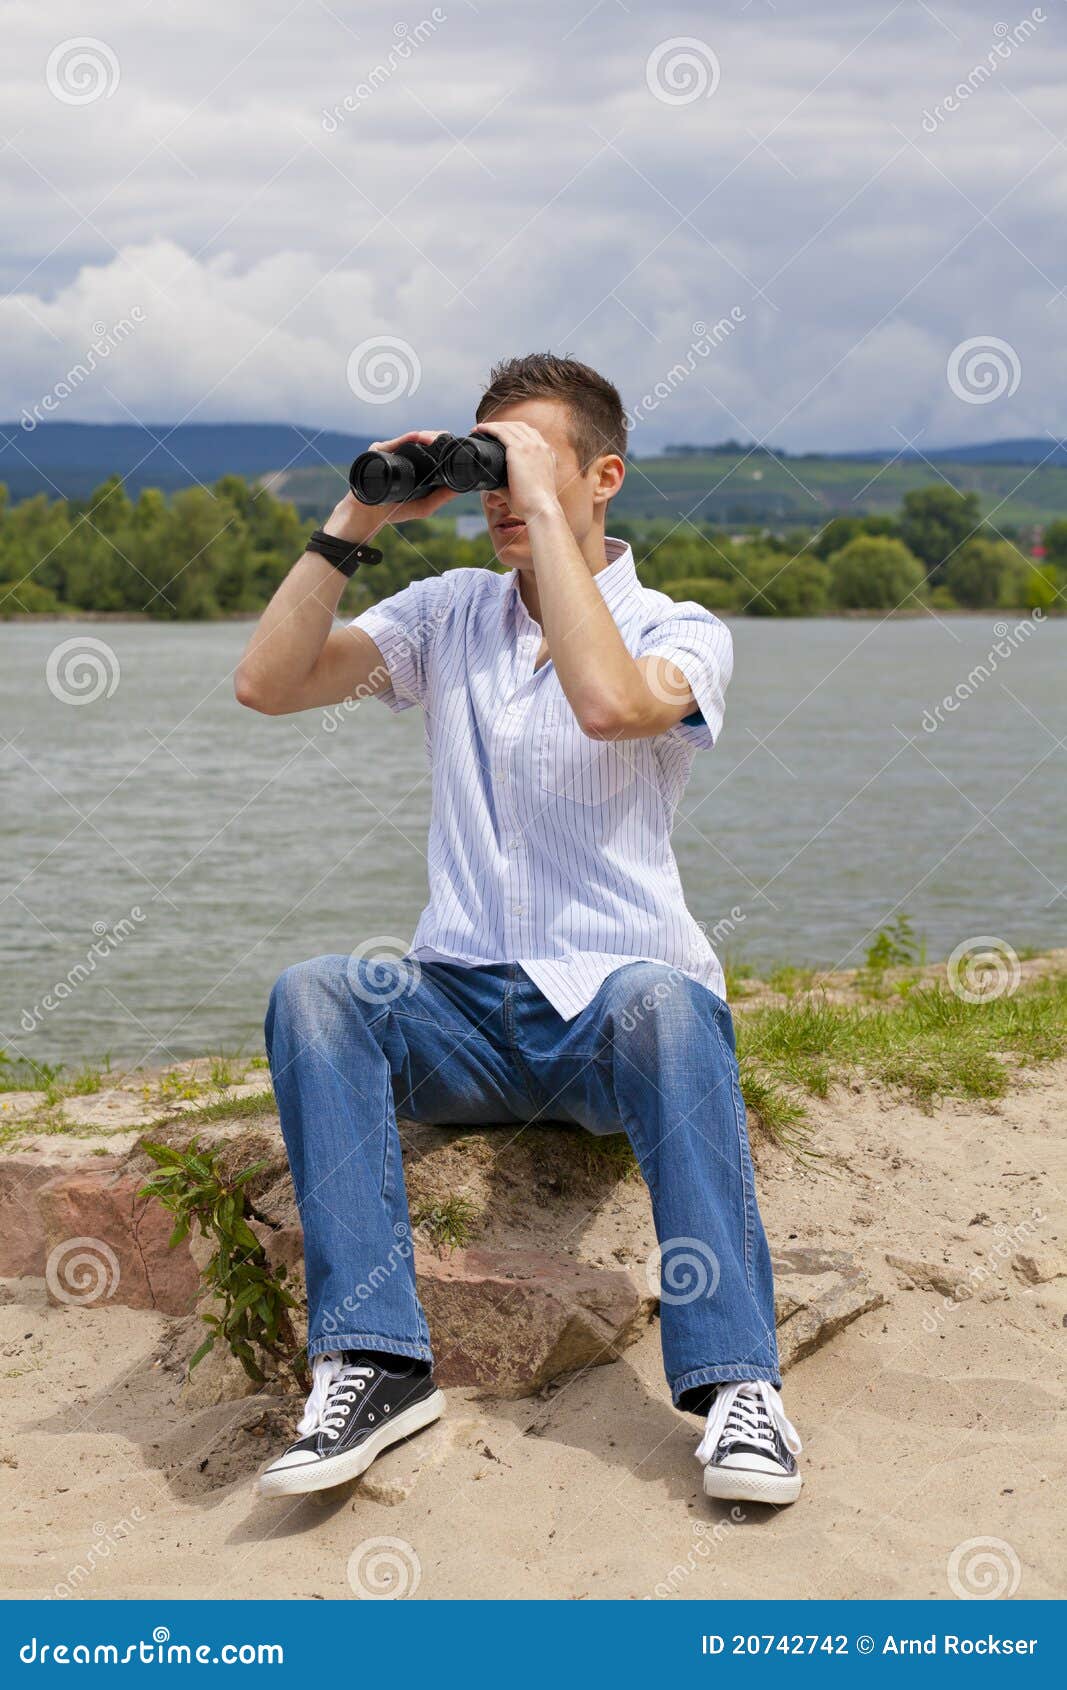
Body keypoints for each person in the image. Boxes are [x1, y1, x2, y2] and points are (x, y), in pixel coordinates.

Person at [235, 352, 802, 1508]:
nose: (497, 491)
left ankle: (739, 1388)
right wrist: (357, 513)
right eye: (487, 466)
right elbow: (268, 681)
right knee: (315, 990)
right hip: (457, 1012)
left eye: (526, 466)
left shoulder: (681, 628)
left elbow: (608, 706)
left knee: (668, 1004)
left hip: (614, 1015)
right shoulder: (449, 614)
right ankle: (375, 1365)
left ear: (604, 477)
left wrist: (541, 511)